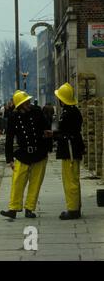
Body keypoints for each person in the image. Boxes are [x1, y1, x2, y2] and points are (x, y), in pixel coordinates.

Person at [0, 90, 51, 219]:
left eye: (28, 101)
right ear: (20, 105)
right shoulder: (13, 117)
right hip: (23, 154)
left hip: (39, 153)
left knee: (35, 183)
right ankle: (13, 208)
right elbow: (9, 139)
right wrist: (9, 159)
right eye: (25, 102)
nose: (28, 103)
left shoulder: (37, 112)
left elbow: (47, 128)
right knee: (17, 182)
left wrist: (48, 148)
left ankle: (29, 208)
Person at [51, 83, 85, 220]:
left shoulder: (68, 113)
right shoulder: (73, 111)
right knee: (73, 179)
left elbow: (67, 133)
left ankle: (72, 209)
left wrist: (54, 134)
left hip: (69, 150)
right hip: (72, 148)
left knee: (70, 180)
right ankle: (76, 206)